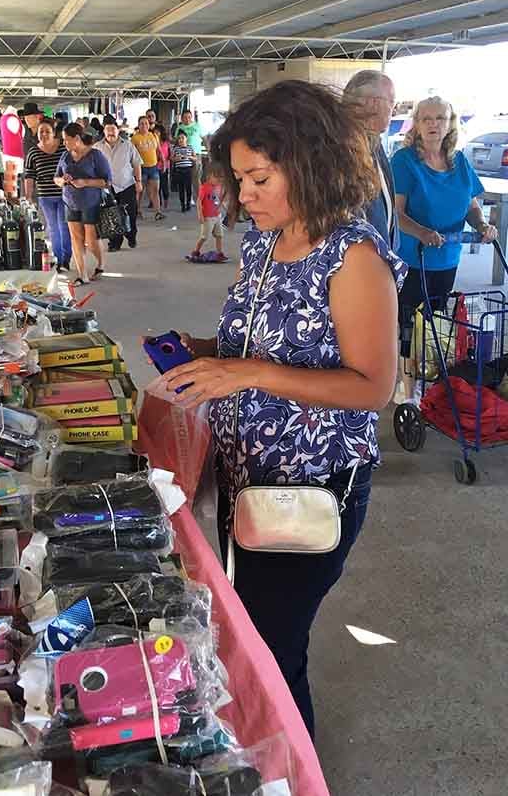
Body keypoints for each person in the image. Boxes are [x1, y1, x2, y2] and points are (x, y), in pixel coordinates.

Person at [157, 80, 407, 740]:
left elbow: (372, 386)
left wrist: (247, 372)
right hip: (246, 477)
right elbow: (260, 342)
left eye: (259, 178)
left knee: (272, 649)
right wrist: (210, 352)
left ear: (308, 165)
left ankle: (289, 770)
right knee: (245, 627)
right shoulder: (265, 242)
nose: (244, 196)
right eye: (239, 179)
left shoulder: (352, 257)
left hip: (312, 489)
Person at [392, 96, 498, 403]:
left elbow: (471, 206)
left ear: (450, 124)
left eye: (440, 118)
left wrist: (481, 226)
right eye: (426, 118)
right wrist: (423, 232)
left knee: (436, 322)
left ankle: (428, 384)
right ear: (417, 123)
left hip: (448, 257)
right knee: (409, 326)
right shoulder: (404, 160)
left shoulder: (459, 160)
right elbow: (397, 214)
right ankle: (407, 391)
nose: (433, 124)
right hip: (414, 259)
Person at [343, 70, 399, 251]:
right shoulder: (343, 146)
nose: (394, 109)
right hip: (359, 260)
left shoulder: (373, 141)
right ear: (373, 103)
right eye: (391, 101)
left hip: (379, 256)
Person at [55, 122, 111, 285]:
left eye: (66, 140)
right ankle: (82, 275)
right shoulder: (65, 156)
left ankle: (100, 264)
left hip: (91, 202)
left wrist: (85, 182)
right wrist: (62, 181)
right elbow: (56, 177)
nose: (64, 143)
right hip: (70, 201)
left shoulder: (95, 156)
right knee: (76, 239)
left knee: (91, 239)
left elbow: (107, 181)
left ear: (77, 138)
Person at [23, 119, 71, 273]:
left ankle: (66, 259)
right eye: (41, 131)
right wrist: (28, 196)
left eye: (47, 131)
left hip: (64, 194)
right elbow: (29, 176)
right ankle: (58, 259)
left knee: (64, 226)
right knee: (53, 228)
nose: (44, 134)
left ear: (53, 132)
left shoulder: (64, 147)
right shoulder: (33, 152)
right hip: (45, 196)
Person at [94, 119, 142, 251]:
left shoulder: (128, 145)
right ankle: (114, 243)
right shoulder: (97, 147)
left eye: (113, 129)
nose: (110, 133)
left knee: (130, 214)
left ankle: (131, 236)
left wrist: (139, 181)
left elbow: (136, 163)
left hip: (127, 185)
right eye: (107, 130)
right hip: (107, 188)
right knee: (111, 215)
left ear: (118, 130)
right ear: (103, 131)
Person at [189, 166, 227, 261]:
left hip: (217, 215)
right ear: (209, 176)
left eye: (220, 178)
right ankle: (196, 251)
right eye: (216, 178)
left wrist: (222, 207)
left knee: (219, 235)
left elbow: (222, 198)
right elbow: (199, 201)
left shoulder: (219, 187)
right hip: (208, 217)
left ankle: (219, 253)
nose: (218, 180)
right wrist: (200, 215)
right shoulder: (204, 188)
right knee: (204, 236)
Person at [131, 116, 163, 221]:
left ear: (149, 125)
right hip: (141, 168)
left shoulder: (153, 136)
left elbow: (158, 150)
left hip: (153, 167)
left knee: (155, 190)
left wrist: (162, 161)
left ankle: (158, 212)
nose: (144, 125)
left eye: (146, 123)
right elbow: (131, 154)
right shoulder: (135, 138)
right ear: (138, 125)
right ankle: (138, 210)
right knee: (140, 191)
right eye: (142, 123)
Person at [176, 109, 204, 194]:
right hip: (183, 155)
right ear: (181, 118)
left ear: (191, 117)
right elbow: (176, 141)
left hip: (196, 154)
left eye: (189, 117)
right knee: (186, 177)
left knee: (196, 177)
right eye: (185, 117)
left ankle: (199, 198)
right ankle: (189, 197)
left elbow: (204, 138)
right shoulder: (179, 128)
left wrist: (209, 149)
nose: (187, 119)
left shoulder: (197, 126)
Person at [171, 131, 195, 212]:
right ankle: (182, 205)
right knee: (181, 189)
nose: (181, 140)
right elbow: (171, 158)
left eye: (182, 138)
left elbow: (195, 158)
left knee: (188, 188)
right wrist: (176, 159)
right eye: (179, 138)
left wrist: (189, 157)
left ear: (186, 139)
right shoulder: (176, 148)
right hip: (179, 170)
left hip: (188, 170)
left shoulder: (190, 147)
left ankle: (188, 203)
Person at [155, 124, 171, 210]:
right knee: (157, 186)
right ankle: (158, 203)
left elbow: (169, 154)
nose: (156, 133)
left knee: (164, 185)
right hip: (155, 166)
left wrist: (165, 161)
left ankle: (166, 200)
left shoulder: (166, 143)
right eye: (155, 131)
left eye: (158, 131)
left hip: (165, 166)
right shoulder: (153, 141)